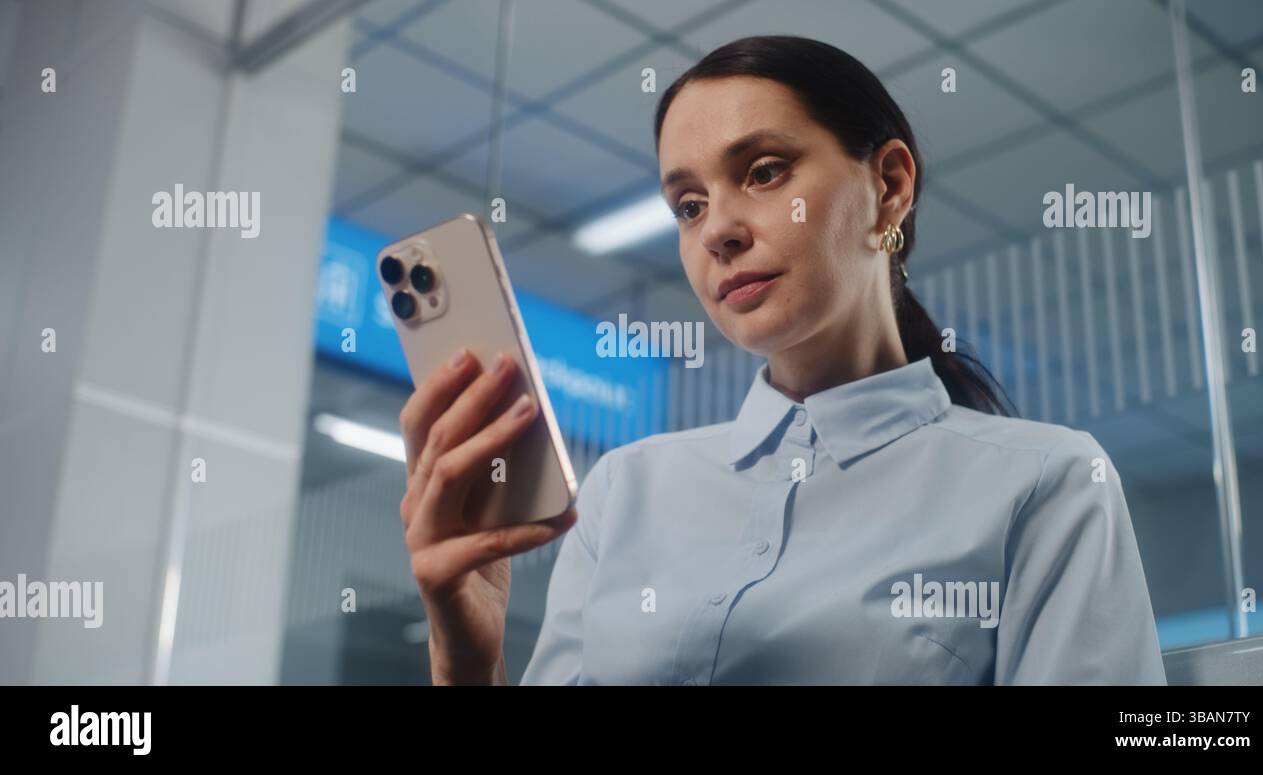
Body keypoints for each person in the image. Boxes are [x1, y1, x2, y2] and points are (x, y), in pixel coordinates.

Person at [397, 35, 1167, 686]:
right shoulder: (622, 491)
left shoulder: (1045, 484)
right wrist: (465, 656)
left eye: (764, 172)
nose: (717, 231)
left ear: (889, 187)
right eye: (688, 204)